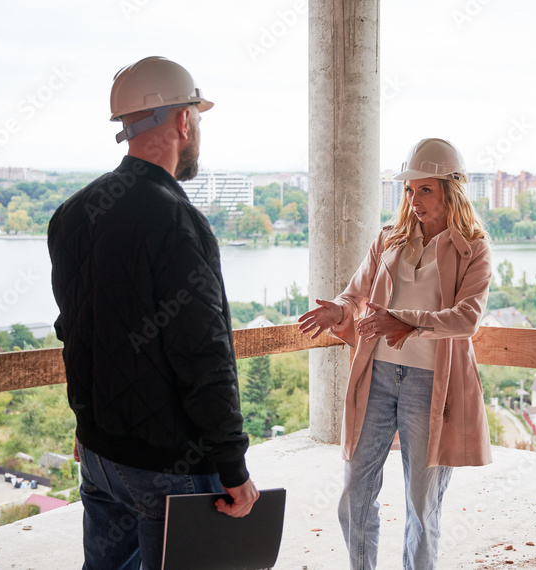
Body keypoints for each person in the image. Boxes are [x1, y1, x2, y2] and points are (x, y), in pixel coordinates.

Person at [48, 56, 258, 569]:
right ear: (183, 120)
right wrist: (232, 463)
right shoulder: (178, 221)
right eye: (197, 117)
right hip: (169, 466)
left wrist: (87, 425)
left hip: (100, 458)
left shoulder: (74, 212)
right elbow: (204, 355)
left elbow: (74, 334)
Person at [297, 138, 492, 570]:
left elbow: (467, 319)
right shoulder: (389, 238)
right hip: (378, 376)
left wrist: (406, 322)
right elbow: (356, 294)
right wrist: (338, 310)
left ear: (451, 190)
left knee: (422, 506)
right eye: (409, 189)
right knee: (354, 493)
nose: (414, 199)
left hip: (431, 385)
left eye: (426, 190)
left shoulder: (474, 248)